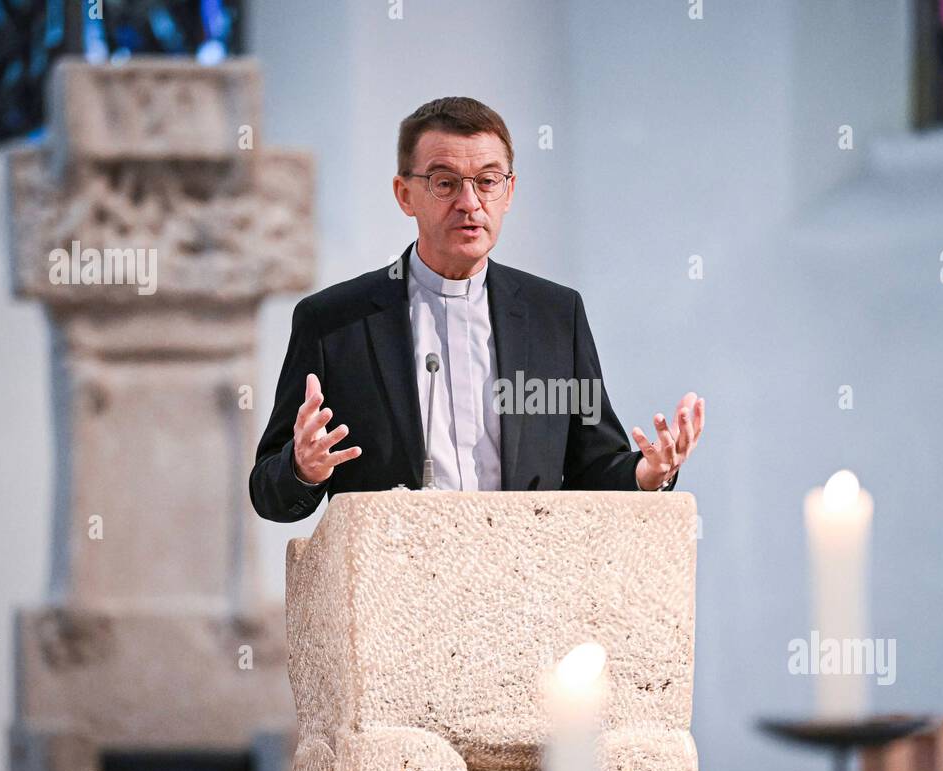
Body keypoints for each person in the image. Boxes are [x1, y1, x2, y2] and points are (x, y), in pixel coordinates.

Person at [249, 97, 705, 522]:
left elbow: (593, 467)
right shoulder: (334, 322)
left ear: (508, 192)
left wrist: (648, 474)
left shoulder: (555, 316)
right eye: (445, 183)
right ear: (405, 194)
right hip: (393, 592)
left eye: (487, 181)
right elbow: (268, 491)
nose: (470, 203)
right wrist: (303, 468)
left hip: (523, 588)